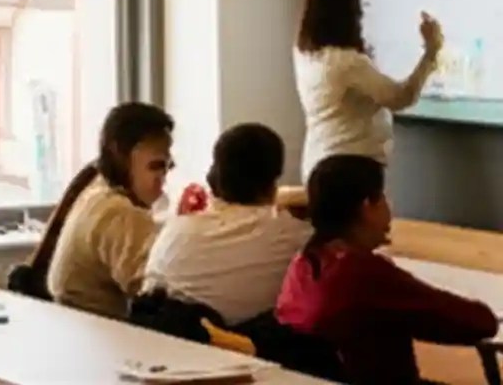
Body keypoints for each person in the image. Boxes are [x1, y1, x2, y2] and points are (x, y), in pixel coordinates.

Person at [276, 154, 497, 383]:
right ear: (367, 207)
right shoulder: (361, 273)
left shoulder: (303, 264)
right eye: (383, 196)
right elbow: (478, 323)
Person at [36, 102, 203, 319]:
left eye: (167, 166)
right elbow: (152, 289)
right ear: (121, 156)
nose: (164, 177)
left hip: (74, 323)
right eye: (156, 166)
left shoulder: (97, 189)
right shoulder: (120, 213)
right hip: (100, 331)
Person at [142, 123, 311, 327]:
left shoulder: (178, 228)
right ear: (274, 178)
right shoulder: (291, 236)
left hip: (157, 341)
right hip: (235, 350)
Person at [294, 0, 442, 181]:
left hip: (318, 163)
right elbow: (402, 97)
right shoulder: (348, 62)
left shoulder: (305, 54)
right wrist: (431, 51)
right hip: (348, 172)